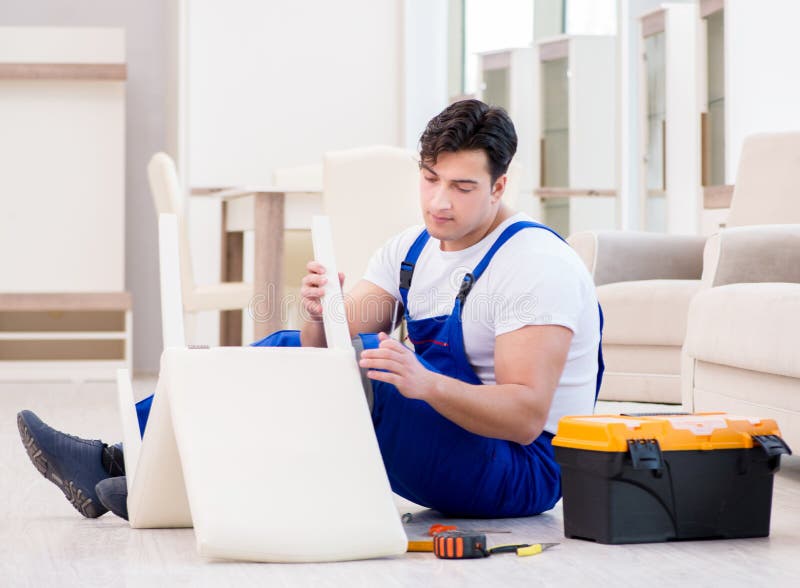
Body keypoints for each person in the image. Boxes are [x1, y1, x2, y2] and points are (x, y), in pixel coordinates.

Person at [17, 99, 603, 521]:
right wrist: (320, 312)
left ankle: (174, 481)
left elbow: (527, 416)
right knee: (292, 349)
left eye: (462, 187)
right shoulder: (412, 247)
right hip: (455, 434)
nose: (439, 202)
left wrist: (423, 382)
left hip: (523, 469)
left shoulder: (534, 265)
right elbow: (321, 350)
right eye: (429, 180)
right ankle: (119, 458)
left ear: (499, 188)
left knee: (372, 362)